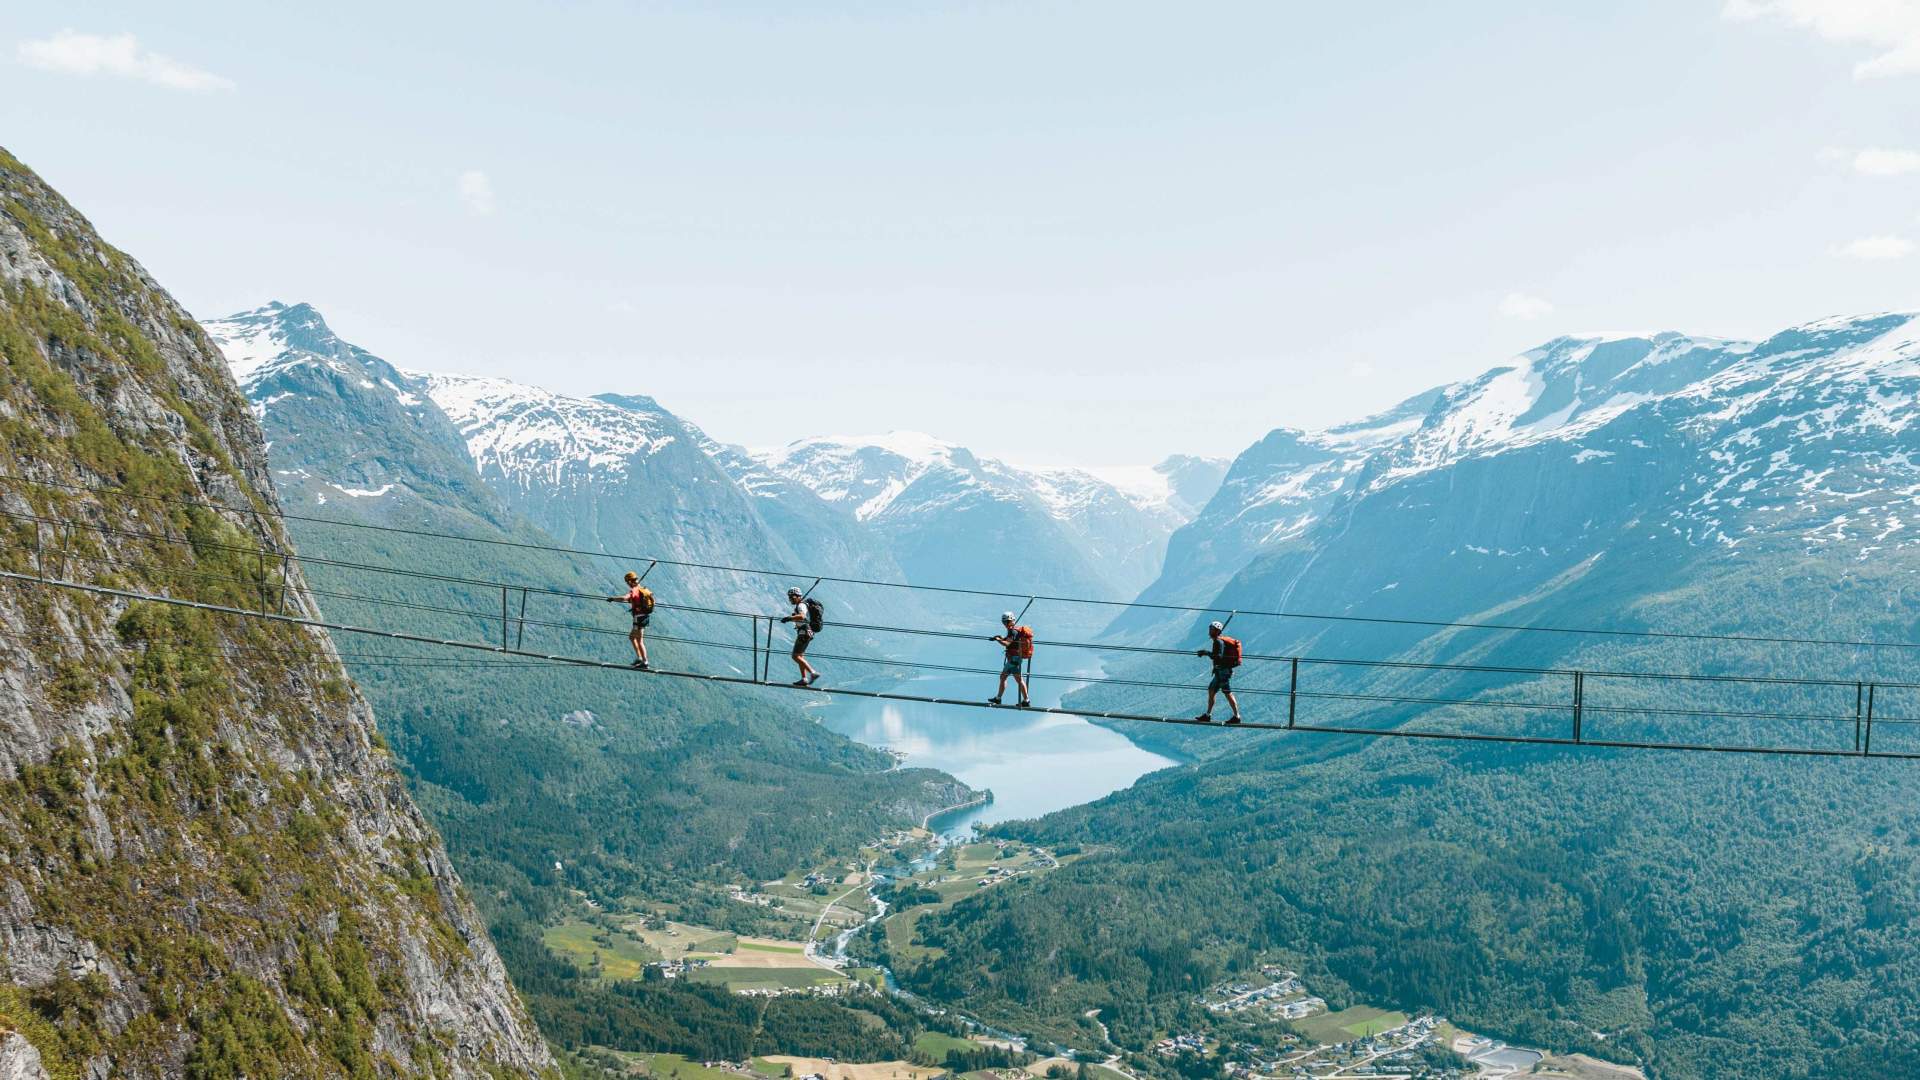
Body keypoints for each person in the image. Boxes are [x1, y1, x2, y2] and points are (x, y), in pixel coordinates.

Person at [1194, 620, 1243, 724]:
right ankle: (1208, 715)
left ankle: (1237, 716)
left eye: (1212, 629)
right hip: (1220, 671)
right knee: (1211, 689)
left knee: (1227, 693)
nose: (1210, 631)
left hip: (1223, 671)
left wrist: (1205, 652)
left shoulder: (1218, 642)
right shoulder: (1217, 640)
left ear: (1217, 631)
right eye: (1210, 629)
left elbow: (1218, 656)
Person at [607, 571, 653, 670]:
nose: (627, 584)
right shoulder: (641, 589)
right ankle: (640, 658)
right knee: (632, 637)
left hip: (639, 617)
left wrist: (612, 598)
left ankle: (644, 662)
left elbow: (624, 598)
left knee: (639, 640)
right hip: (644, 616)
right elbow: (634, 600)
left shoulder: (634, 591)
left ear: (630, 581)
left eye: (627, 582)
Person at [988, 612, 1033, 708]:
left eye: (1007, 621)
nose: (1005, 623)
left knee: (1008, 677)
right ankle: (1026, 700)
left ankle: (999, 698)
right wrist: (999, 638)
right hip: (1016, 658)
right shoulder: (1014, 631)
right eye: (1004, 622)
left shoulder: (1013, 631)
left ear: (1012, 621)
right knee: (1013, 679)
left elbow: (1007, 644)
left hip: (1014, 658)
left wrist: (998, 640)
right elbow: (1011, 642)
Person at [782, 587, 822, 686]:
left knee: (795, 656)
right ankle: (804, 679)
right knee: (800, 656)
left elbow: (803, 616)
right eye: (790, 597)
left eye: (792, 597)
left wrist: (789, 618)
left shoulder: (801, 605)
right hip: (806, 632)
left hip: (804, 632)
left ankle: (813, 673)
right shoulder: (802, 605)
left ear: (798, 596)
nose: (790, 599)